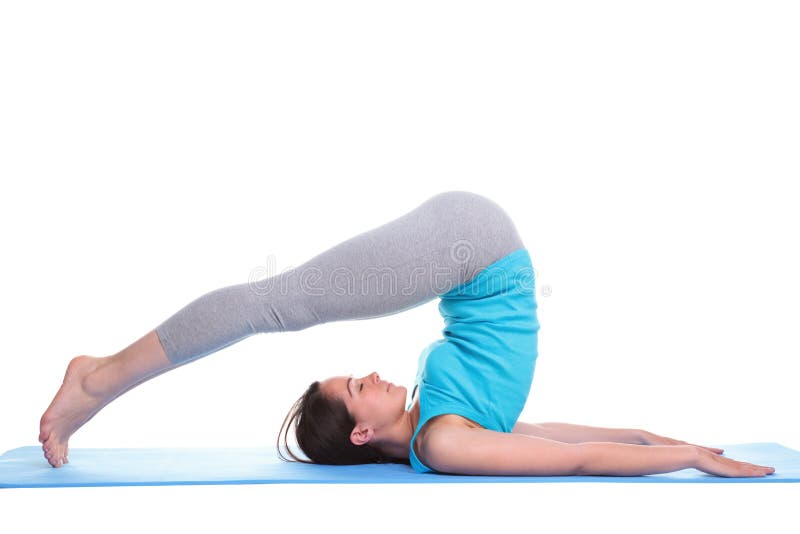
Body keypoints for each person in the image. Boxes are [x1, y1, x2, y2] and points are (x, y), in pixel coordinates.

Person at [38, 191, 775, 478]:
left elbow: (559, 442)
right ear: (363, 434)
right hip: (472, 248)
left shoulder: (439, 420)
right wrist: (675, 450)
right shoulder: (444, 439)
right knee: (283, 303)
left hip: (471, 247)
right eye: (358, 389)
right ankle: (96, 378)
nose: (372, 375)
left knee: (286, 301)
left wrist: (667, 446)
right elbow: (569, 449)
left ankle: (99, 378)